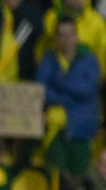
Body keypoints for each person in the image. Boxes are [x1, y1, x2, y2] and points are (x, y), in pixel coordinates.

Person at [36, 18, 101, 177]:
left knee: (79, 175)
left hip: (81, 126)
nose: (66, 39)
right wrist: (69, 96)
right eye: (61, 35)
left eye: (69, 34)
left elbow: (87, 89)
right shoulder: (49, 59)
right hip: (54, 126)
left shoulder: (89, 59)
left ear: (76, 36)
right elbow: (40, 88)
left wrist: (60, 84)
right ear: (56, 37)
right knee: (56, 174)